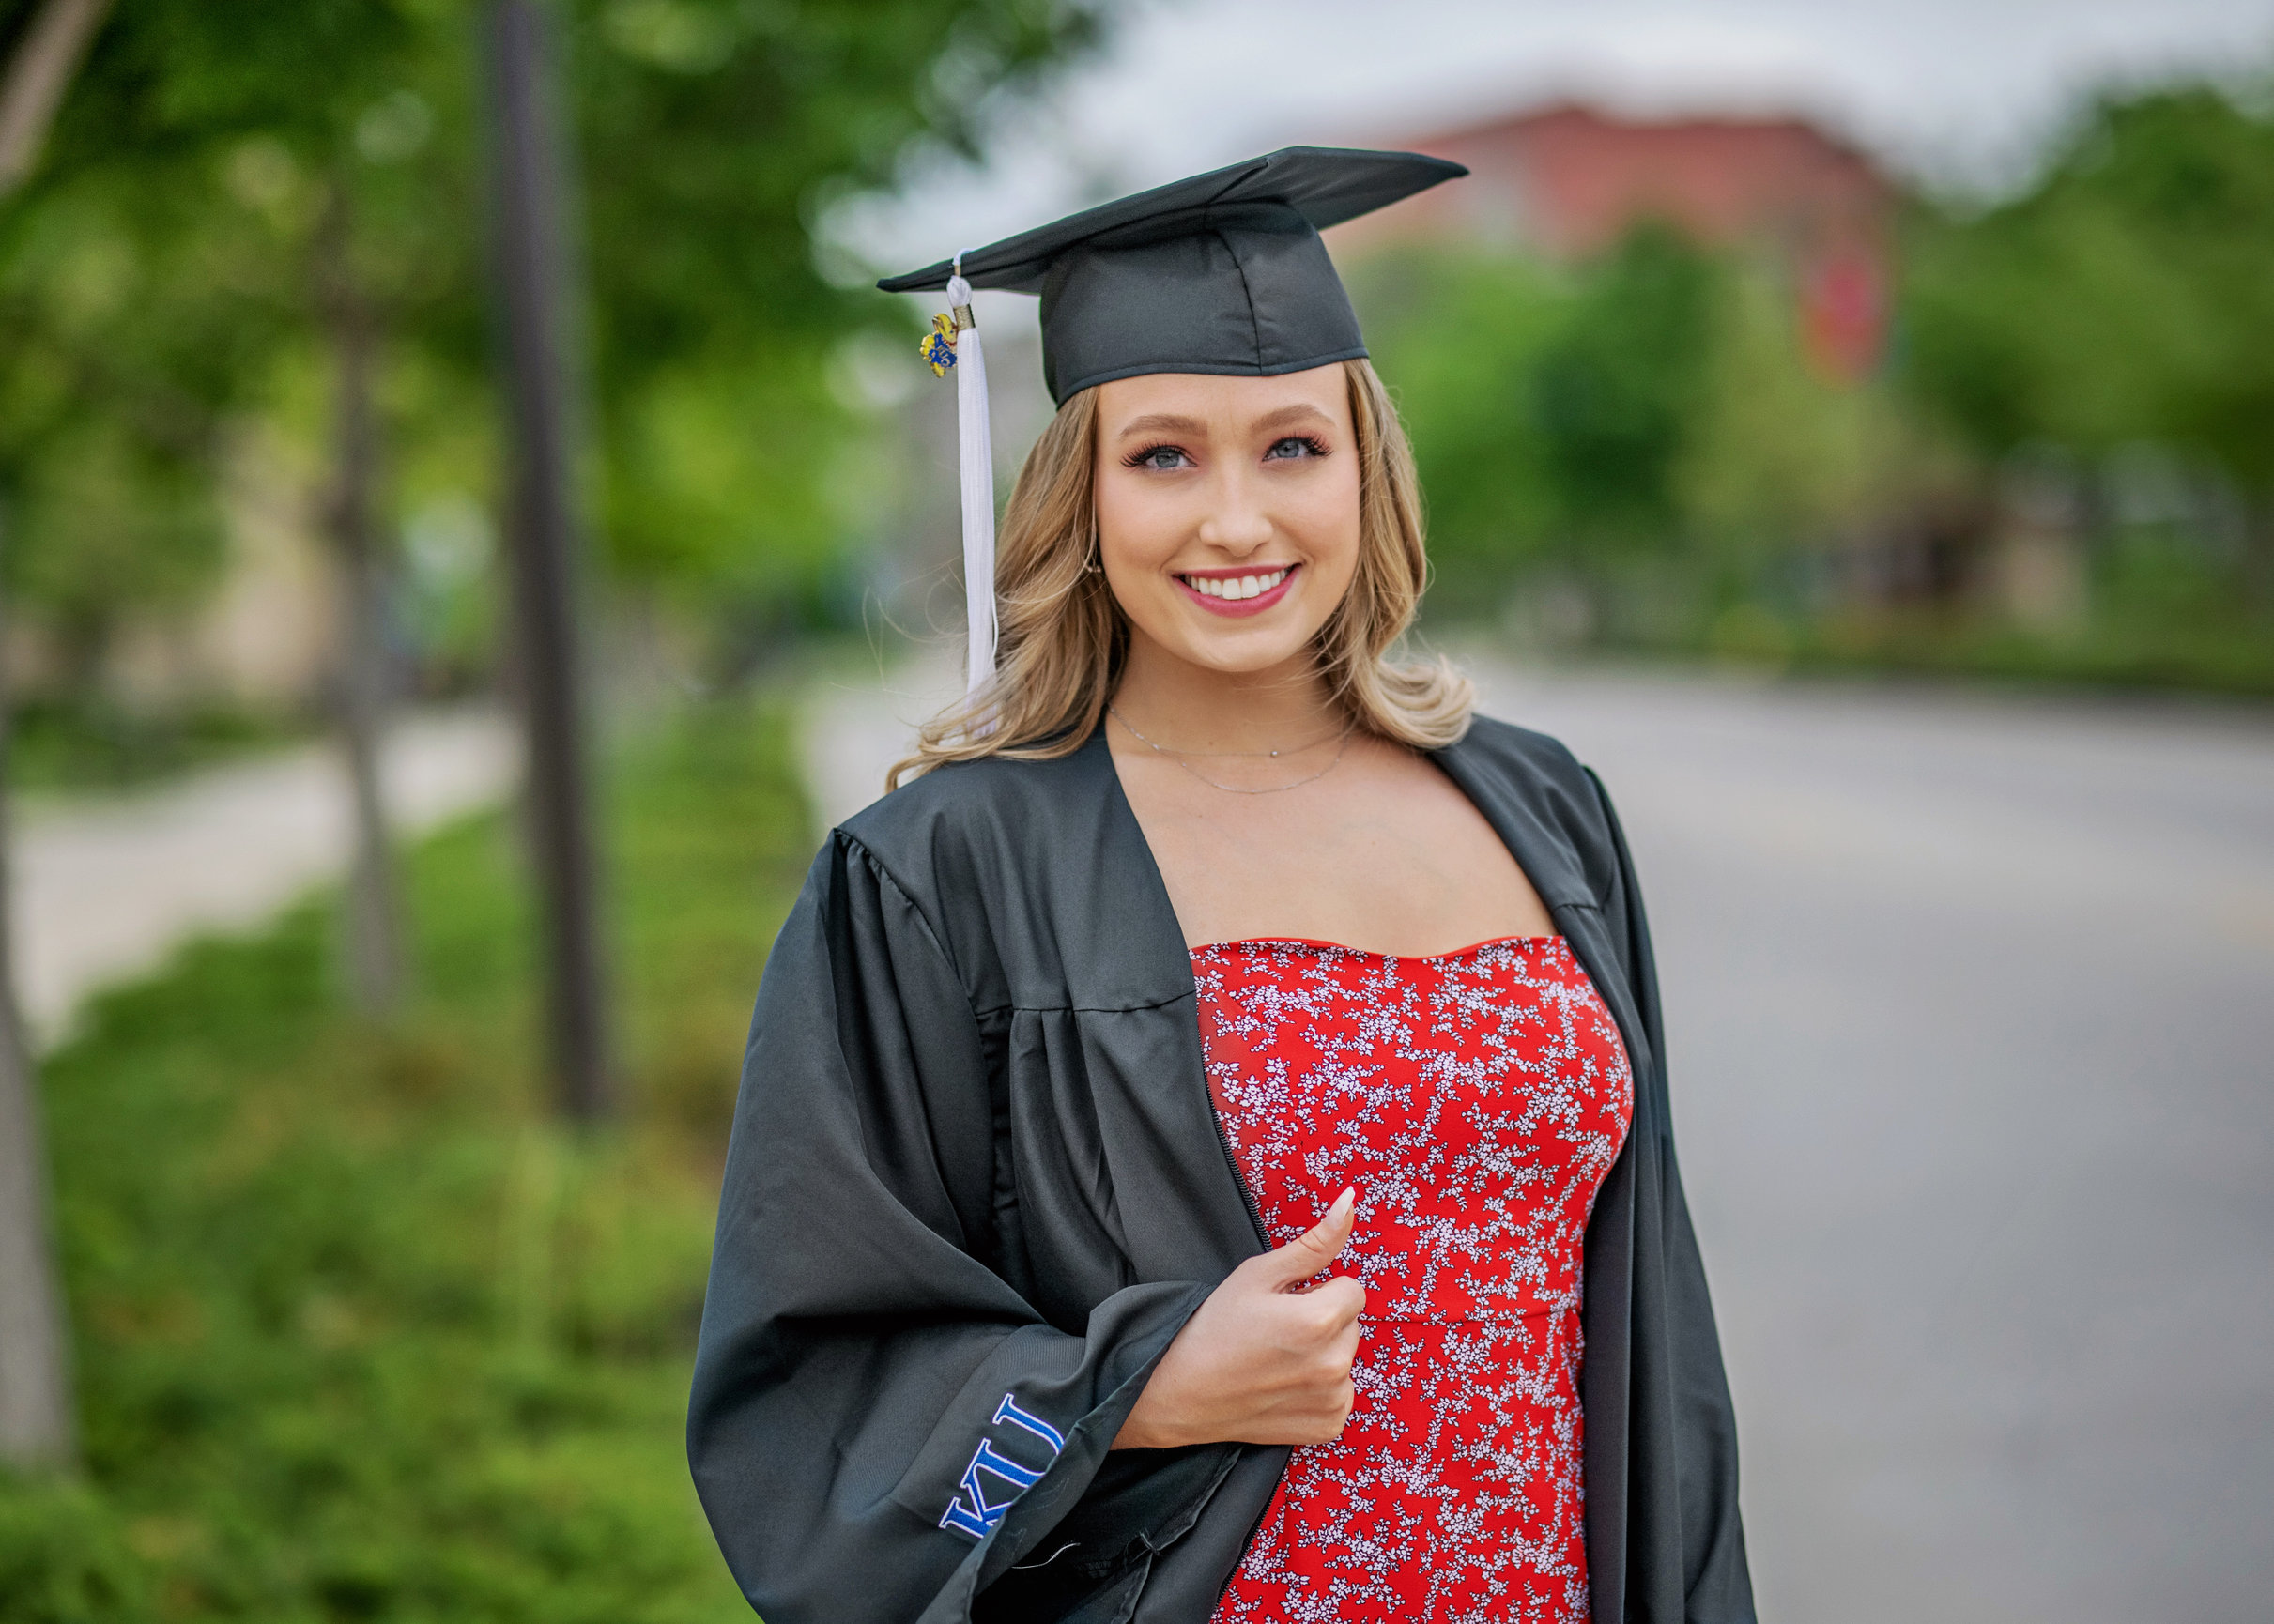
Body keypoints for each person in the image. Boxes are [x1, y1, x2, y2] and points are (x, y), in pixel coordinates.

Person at [688, 148, 1754, 1624]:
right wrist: (1121, 1394)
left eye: (1293, 448)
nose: (1237, 520)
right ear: (1080, 493)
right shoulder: (948, 870)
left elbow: (1654, 1330)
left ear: (1365, 469)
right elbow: (807, 1395)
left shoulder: (1539, 802)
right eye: (1165, 455)